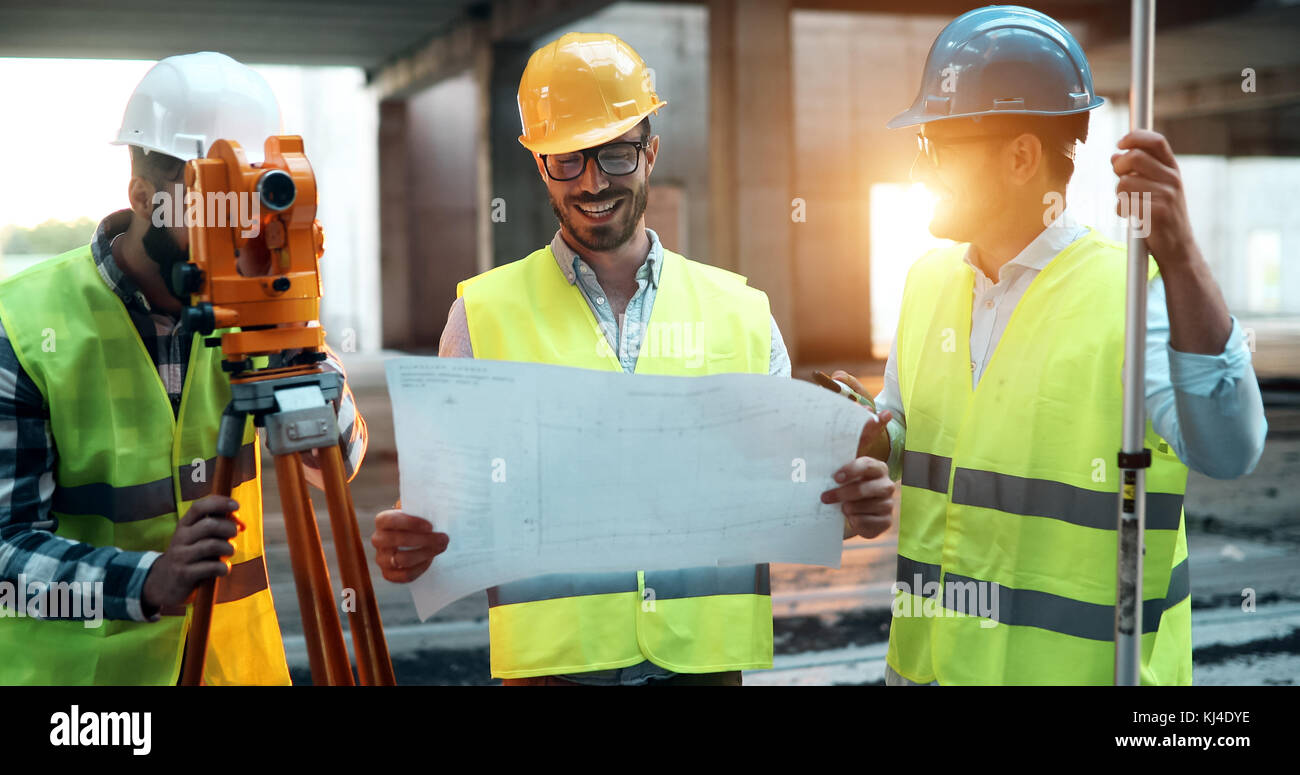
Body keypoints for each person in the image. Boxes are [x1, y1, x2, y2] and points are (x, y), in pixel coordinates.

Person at [370, 31, 891, 686]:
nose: (593, 183)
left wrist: (851, 509)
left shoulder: (741, 314)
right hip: (552, 670)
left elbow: (794, 501)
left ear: (650, 152)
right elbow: (443, 503)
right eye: (569, 160)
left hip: (705, 665)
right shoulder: (481, 316)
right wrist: (409, 543)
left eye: (615, 155)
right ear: (540, 164)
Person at [834, 6, 1267, 685]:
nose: (921, 169)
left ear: (1021, 156)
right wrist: (876, 452)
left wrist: (1182, 259)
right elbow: (916, 438)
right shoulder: (926, 282)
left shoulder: (1132, 293)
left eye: (937, 145)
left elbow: (1230, 446)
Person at [0, 51, 367, 685]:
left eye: (248, 194)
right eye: (211, 199)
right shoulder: (26, 327)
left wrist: (294, 340)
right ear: (143, 196)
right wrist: (149, 582)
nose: (237, 224)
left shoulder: (258, 296)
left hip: (238, 672)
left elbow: (339, 457)